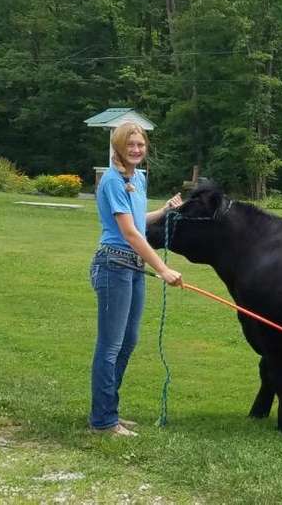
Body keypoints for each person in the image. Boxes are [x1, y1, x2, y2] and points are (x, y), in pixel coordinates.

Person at [88, 121, 183, 437]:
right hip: (113, 265)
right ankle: (103, 421)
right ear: (118, 146)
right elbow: (129, 233)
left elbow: (137, 220)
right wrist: (163, 269)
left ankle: (108, 411)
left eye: (140, 144)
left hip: (133, 267)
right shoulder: (113, 180)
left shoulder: (137, 178)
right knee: (110, 346)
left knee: (128, 342)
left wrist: (164, 210)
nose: (136, 149)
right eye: (130, 144)